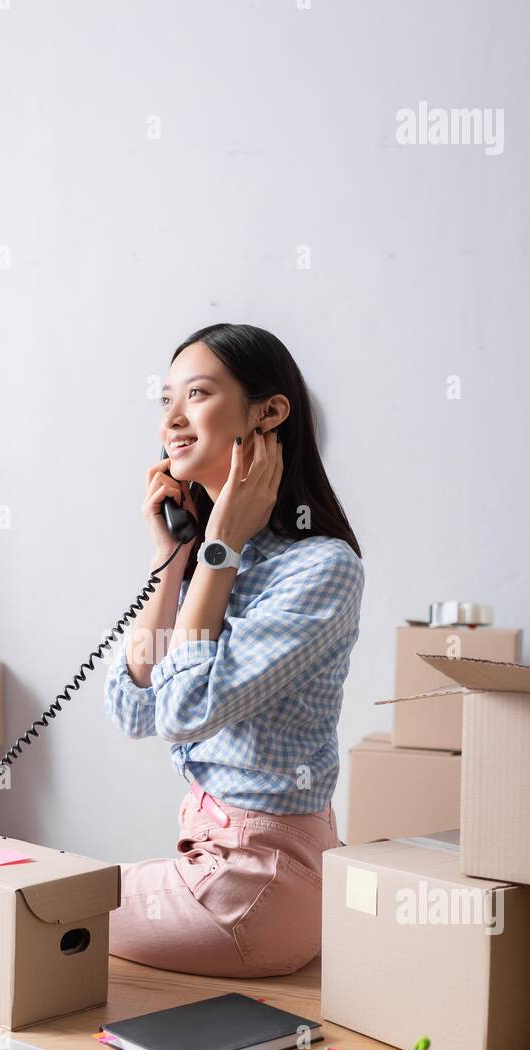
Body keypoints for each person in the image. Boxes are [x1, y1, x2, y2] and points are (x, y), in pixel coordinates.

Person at [103, 323, 363, 978]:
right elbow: (134, 714)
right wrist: (173, 561)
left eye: (196, 394)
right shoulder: (208, 568)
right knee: (39, 899)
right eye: (165, 400)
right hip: (212, 869)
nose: (172, 419)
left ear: (269, 411)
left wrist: (218, 549)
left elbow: (186, 711)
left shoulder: (319, 568)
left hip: (258, 886)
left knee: (32, 907)